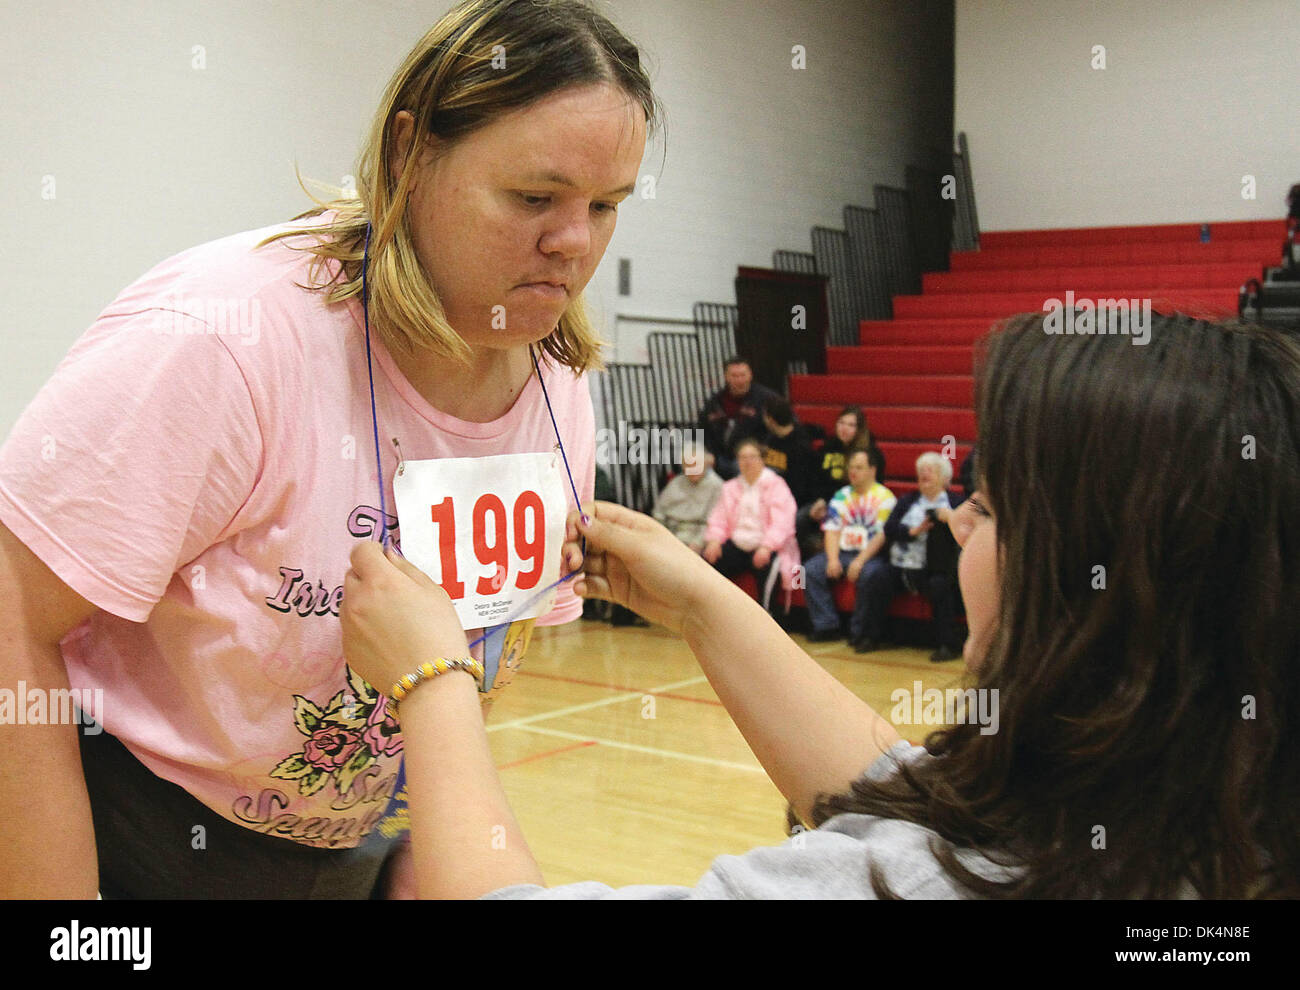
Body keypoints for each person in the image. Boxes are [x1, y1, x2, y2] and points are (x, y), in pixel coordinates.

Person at [0, 0, 659, 899]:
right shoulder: (223, 338)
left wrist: (425, 848)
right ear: (408, 156)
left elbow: (479, 656)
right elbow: (8, 608)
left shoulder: (556, 380)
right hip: (133, 830)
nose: (574, 243)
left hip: (352, 847)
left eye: (606, 205)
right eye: (534, 197)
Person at [341, 309, 1298, 899]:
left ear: (1088, 580)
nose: (962, 527)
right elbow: (914, 801)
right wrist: (710, 609)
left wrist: (432, 680)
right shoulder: (1207, 823)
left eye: (992, 508)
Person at [855, 452, 966, 661]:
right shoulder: (908, 500)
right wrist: (912, 532)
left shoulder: (956, 502)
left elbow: (968, 531)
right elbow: (889, 528)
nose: (923, 474)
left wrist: (949, 518)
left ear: (944, 477)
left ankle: (948, 644)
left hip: (933, 567)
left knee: (940, 585)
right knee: (877, 576)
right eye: (920, 471)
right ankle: (869, 636)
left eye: (930, 470)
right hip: (901, 564)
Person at [801, 447, 897, 642]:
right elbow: (832, 529)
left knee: (870, 574)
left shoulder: (885, 497)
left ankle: (860, 632)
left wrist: (860, 561)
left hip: (872, 555)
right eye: (851, 467)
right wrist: (833, 559)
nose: (853, 472)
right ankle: (826, 625)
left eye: (859, 467)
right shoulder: (841, 496)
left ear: (872, 470)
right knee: (810, 570)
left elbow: (881, 536)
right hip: (844, 551)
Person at [701, 439, 798, 613]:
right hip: (738, 542)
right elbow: (719, 518)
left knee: (768, 567)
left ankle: (769, 620)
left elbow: (783, 522)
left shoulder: (776, 485)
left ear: (762, 459)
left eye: (752, 457)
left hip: (769, 545)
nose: (747, 462)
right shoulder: (730, 487)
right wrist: (714, 540)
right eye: (742, 458)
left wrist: (767, 546)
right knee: (708, 559)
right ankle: (713, 615)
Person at [797, 405, 879, 558]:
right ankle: (796, 567)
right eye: (841, 423)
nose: (844, 428)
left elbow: (868, 486)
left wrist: (832, 503)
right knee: (800, 518)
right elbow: (815, 479)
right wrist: (819, 500)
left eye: (851, 425)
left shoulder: (870, 453)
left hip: (852, 505)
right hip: (825, 501)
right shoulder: (828, 447)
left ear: (859, 429)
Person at [697, 358, 779, 479]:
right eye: (735, 376)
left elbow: (781, 429)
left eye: (743, 375)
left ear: (750, 375)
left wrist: (759, 451)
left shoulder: (768, 399)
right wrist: (706, 454)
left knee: (742, 466)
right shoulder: (714, 402)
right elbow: (701, 431)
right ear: (726, 377)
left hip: (756, 456)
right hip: (719, 458)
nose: (740, 380)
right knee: (694, 467)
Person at [651, 447, 724, 553]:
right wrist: (659, 534)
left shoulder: (717, 485)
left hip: (694, 537)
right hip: (669, 533)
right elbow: (659, 513)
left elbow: (712, 522)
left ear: (705, 465)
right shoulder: (676, 482)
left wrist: (698, 542)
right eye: (688, 465)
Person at [757, 396, 821, 508]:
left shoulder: (800, 447)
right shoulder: (771, 438)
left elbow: (799, 488)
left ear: (771, 420)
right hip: (769, 494)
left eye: (764, 416)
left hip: (793, 502)